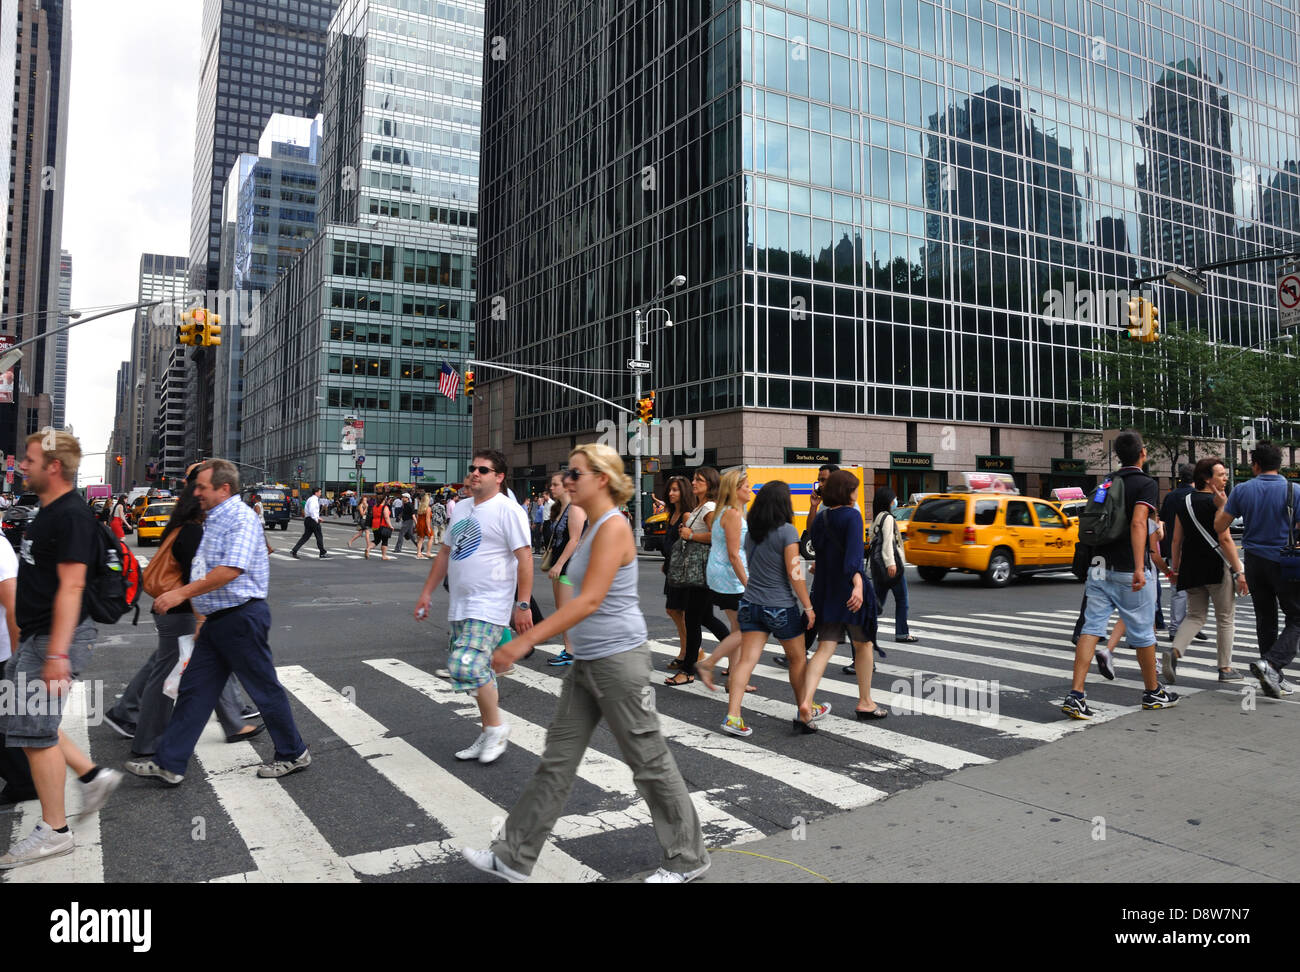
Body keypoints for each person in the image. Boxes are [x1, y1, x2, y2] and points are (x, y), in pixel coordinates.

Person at [462, 444, 710, 883]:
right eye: (567, 474)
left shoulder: (613, 526)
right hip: (590, 661)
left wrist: (525, 642)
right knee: (557, 760)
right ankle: (514, 856)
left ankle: (688, 858)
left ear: (602, 479)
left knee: (649, 763)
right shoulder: (593, 526)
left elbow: (591, 598)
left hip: (619, 661)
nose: (566, 481)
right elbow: (581, 597)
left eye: (575, 474)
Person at [126, 459, 310, 785]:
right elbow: (205, 570)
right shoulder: (214, 519)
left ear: (224, 488)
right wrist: (201, 618)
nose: (195, 492)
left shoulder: (239, 518)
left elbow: (231, 570)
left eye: (202, 487)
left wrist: (180, 594)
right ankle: (170, 762)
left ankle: (292, 753)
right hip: (217, 620)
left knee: (264, 689)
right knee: (195, 692)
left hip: (241, 618)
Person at [0, 431, 123, 868]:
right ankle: (93, 776)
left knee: (33, 731)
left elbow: (72, 587)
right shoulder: (46, 511)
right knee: (28, 720)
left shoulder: (71, 516)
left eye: (29, 459)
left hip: (56, 636)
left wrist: (56, 654)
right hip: (39, 634)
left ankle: (55, 831)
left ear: (53, 467)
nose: (22, 465)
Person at [103, 473, 263, 752]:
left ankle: (231, 721)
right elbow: (194, 578)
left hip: (176, 610)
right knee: (169, 674)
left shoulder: (182, 527)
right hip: (180, 611)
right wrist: (203, 617)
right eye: (203, 495)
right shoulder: (192, 531)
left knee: (191, 664)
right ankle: (146, 735)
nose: (208, 501)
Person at [414, 450, 533, 765]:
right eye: (473, 468)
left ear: (499, 476)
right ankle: (488, 729)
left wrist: (523, 604)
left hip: (491, 604)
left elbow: (525, 558)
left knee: (465, 666)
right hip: (461, 605)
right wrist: (427, 593)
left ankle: (496, 727)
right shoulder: (463, 507)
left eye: (483, 469)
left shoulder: (509, 510)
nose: (475, 473)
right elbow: (444, 553)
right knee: (478, 670)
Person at [1063, 430, 1178, 719]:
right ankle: (1153, 693)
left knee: (1091, 629)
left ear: (1118, 456)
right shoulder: (1145, 484)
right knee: (1142, 633)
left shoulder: (1106, 482)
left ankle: (1076, 695)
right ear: (1143, 453)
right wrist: (1140, 567)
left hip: (1099, 566)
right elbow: (1140, 523)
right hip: (1129, 568)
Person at [712, 480, 818, 737]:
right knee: (797, 658)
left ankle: (733, 716)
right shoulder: (787, 532)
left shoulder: (751, 533)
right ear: (784, 504)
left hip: (750, 604)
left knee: (746, 660)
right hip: (780, 605)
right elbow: (795, 574)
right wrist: (808, 606)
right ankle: (804, 707)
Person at [1215, 441, 1300, 698]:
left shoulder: (1242, 490)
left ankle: (1272, 676)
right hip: (1285, 561)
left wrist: (1222, 504)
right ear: (1280, 465)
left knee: (1266, 618)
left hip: (1253, 561)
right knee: (1296, 616)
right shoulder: (1294, 490)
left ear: (1256, 465)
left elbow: (1221, 526)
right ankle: (1272, 664)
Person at [808, 470, 886, 717]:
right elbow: (853, 556)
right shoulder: (852, 516)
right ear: (846, 491)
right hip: (849, 590)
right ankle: (865, 701)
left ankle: (806, 701)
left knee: (824, 647)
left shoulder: (821, 518)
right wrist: (859, 584)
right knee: (863, 644)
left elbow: (816, 547)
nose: (856, 493)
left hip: (826, 589)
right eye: (854, 489)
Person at [1166, 457, 1246, 683]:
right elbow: (1226, 539)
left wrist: (1176, 568)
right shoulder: (1218, 502)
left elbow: (1176, 540)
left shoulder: (1185, 502)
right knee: (1225, 618)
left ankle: (1174, 652)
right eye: (1221, 475)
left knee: (1195, 616)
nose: (1225, 478)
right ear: (1207, 479)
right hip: (1216, 566)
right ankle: (1225, 669)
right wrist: (1239, 571)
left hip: (1191, 567)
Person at [693, 469, 756, 692]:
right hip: (730, 579)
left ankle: (734, 679)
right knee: (747, 629)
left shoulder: (727, 511)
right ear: (735, 490)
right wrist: (749, 584)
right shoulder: (732, 515)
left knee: (739, 627)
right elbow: (733, 554)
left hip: (723, 576)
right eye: (747, 486)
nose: (751, 490)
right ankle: (708, 663)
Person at [673, 467, 731, 683]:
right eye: (694, 479)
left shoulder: (708, 507)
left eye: (699, 480)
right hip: (698, 572)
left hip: (703, 571)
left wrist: (691, 535)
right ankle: (736, 656)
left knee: (692, 619)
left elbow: (718, 537)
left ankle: (688, 670)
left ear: (711, 485)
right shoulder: (699, 507)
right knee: (705, 618)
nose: (694, 482)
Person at [543, 471, 586, 667]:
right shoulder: (559, 508)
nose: (551, 488)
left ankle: (572, 651)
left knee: (566, 610)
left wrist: (559, 564)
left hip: (569, 565)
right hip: (560, 564)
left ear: (566, 486)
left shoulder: (575, 509)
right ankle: (570, 648)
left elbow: (575, 540)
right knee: (562, 609)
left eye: (555, 484)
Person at [865, 487, 917, 651]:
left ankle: (864, 629)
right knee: (902, 600)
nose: (896, 501)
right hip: (891, 567)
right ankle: (902, 633)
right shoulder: (887, 518)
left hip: (878, 569)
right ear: (888, 501)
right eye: (894, 499)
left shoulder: (877, 518)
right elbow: (887, 542)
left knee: (877, 604)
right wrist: (891, 564)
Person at [1158, 464, 1199, 644]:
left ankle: (1182, 627)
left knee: (1179, 590)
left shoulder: (1171, 496)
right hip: (1193, 547)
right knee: (1195, 590)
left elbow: (1164, 521)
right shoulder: (1196, 496)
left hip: (1173, 548)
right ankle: (1185, 627)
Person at [659, 476, 695, 671]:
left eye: (676, 490)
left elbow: (688, 545)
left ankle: (687, 651)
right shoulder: (672, 514)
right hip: (671, 569)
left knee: (677, 611)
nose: (671, 493)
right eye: (670, 490)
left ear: (684, 492)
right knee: (674, 610)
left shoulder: (686, 515)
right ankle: (689, 650)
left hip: (682, 573)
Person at [290, 486, 328, 559]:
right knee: (319, 536)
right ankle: (322, 552)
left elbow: (311, 511)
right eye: (320, 492)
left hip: (308, 519)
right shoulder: (314, 500)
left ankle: (294, 550)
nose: (320, 494)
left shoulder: (310, 499)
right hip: (312, 520)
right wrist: (316, 519)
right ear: (316, 492)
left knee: (305, 537)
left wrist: (317, 517)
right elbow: (312, 510)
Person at [370, 493, 394, 561]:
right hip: (382, 525)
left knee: (376, 540)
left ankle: (368, 548)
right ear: (383, 500)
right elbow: (386, 517)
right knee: (384, 541)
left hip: (375, 525)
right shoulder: (384, 507)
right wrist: (390, 526)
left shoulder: (375, 507)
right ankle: (384, 556)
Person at [414, 492, 434, 559]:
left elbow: (418, 516)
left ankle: (419, 553)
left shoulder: (420, 507)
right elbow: (427, 519)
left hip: (420, 524)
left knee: (421, 539)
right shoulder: (428, 508)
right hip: (425, 524)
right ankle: (428, 552)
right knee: (431, 537)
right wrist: (428, 527)